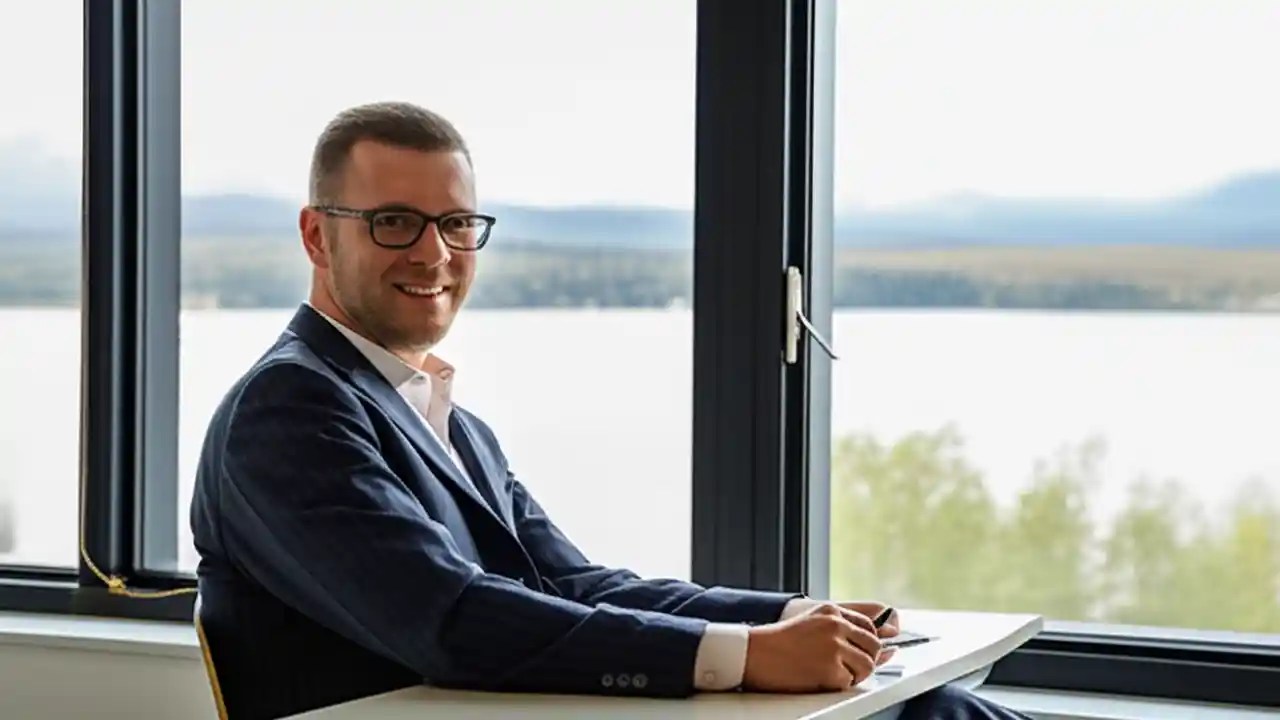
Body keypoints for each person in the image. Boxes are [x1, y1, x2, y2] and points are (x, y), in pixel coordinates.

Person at [189, 101, 1028, 720]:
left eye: (456, 223)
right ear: (316, 235)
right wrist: (745, 657)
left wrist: (788, 617)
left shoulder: (450, 424)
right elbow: (448, 619)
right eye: (395, 223)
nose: (434, 253)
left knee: (933, 708)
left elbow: (578, 585)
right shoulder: (288, 410)